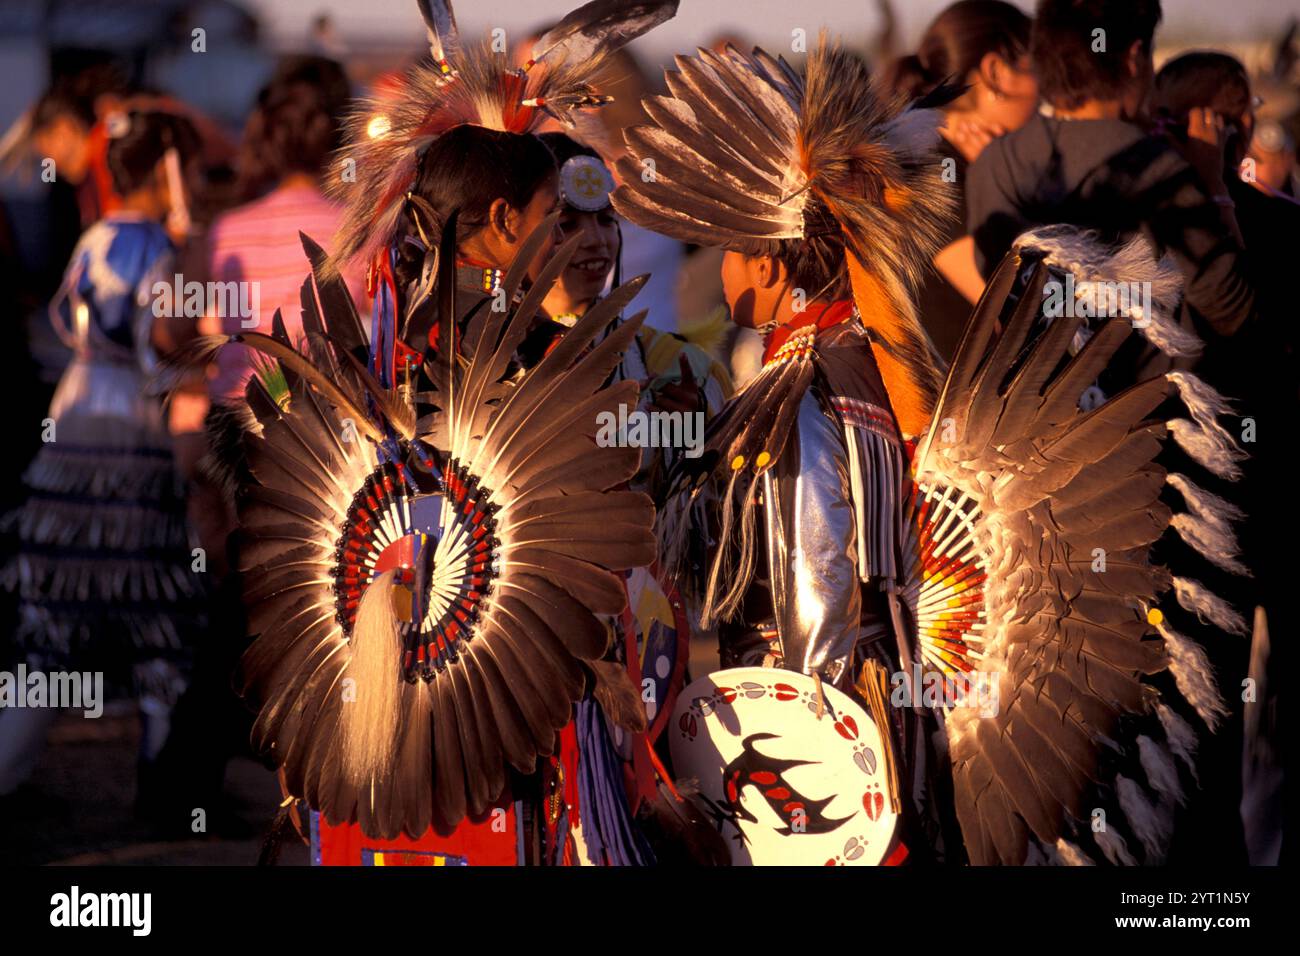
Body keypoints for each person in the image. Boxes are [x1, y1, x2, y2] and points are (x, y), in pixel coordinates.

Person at [614, 36, 1250, 865]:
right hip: (894, 718)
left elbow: (820, 599)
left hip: (829, 734)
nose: (723, 272)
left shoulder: (800, 390)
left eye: (732, 252)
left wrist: (809, 760)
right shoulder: (857, 360)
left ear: (771, 263)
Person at [181, 0, 692, 867]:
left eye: (596, 222)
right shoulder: (523, 368)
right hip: (515, 724)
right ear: (498, 225)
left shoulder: (375, 368)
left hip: (375, 747)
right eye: (554, 219)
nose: (580, 242)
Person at [0, 108, 206, 807]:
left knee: (55, 603)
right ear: (164, 173)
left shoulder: (95, 234)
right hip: (134, 423)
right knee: (156, 602)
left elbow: (75, 320)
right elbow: (161, 346)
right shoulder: (159, 246)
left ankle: (11, 759)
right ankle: (162, 777)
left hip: (77, 408)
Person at [965, 0, 1254, 374]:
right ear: (1134, 58)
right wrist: (1212, 184)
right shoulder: (1157, 167)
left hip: (1037, 420)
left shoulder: (991, 166)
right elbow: (1233, 311)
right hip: (1153, 421)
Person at [883, 0, 1036, 359]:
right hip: (957, 409)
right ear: (997, 73)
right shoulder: (934, 169)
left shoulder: (938, 157)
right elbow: (1018, 313)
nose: (1045, 89)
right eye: (1037, 69)